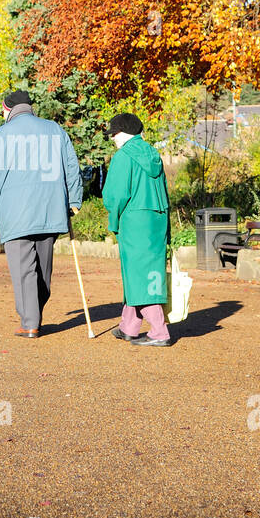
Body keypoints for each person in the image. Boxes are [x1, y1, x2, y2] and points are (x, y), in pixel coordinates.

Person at [0, 90, 83, 338]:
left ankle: (30, 322)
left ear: (7, 109)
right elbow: (71, 168)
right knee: (43, 270)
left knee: (24, 271)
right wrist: (74, 201)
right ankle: (35, 313)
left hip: (15, 216)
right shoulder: (55, 130)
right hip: (50, 211)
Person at [103, 113, 171, 346]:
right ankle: (129, 326)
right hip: (157, 220)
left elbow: (116, 195)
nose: (112, 138)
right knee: (144, 271)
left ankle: (159, 331)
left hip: (134, 221)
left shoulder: (123, 156)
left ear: (123, 133)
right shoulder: (154, 154)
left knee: (138, 274)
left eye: (113, 134)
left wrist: (113, 221)